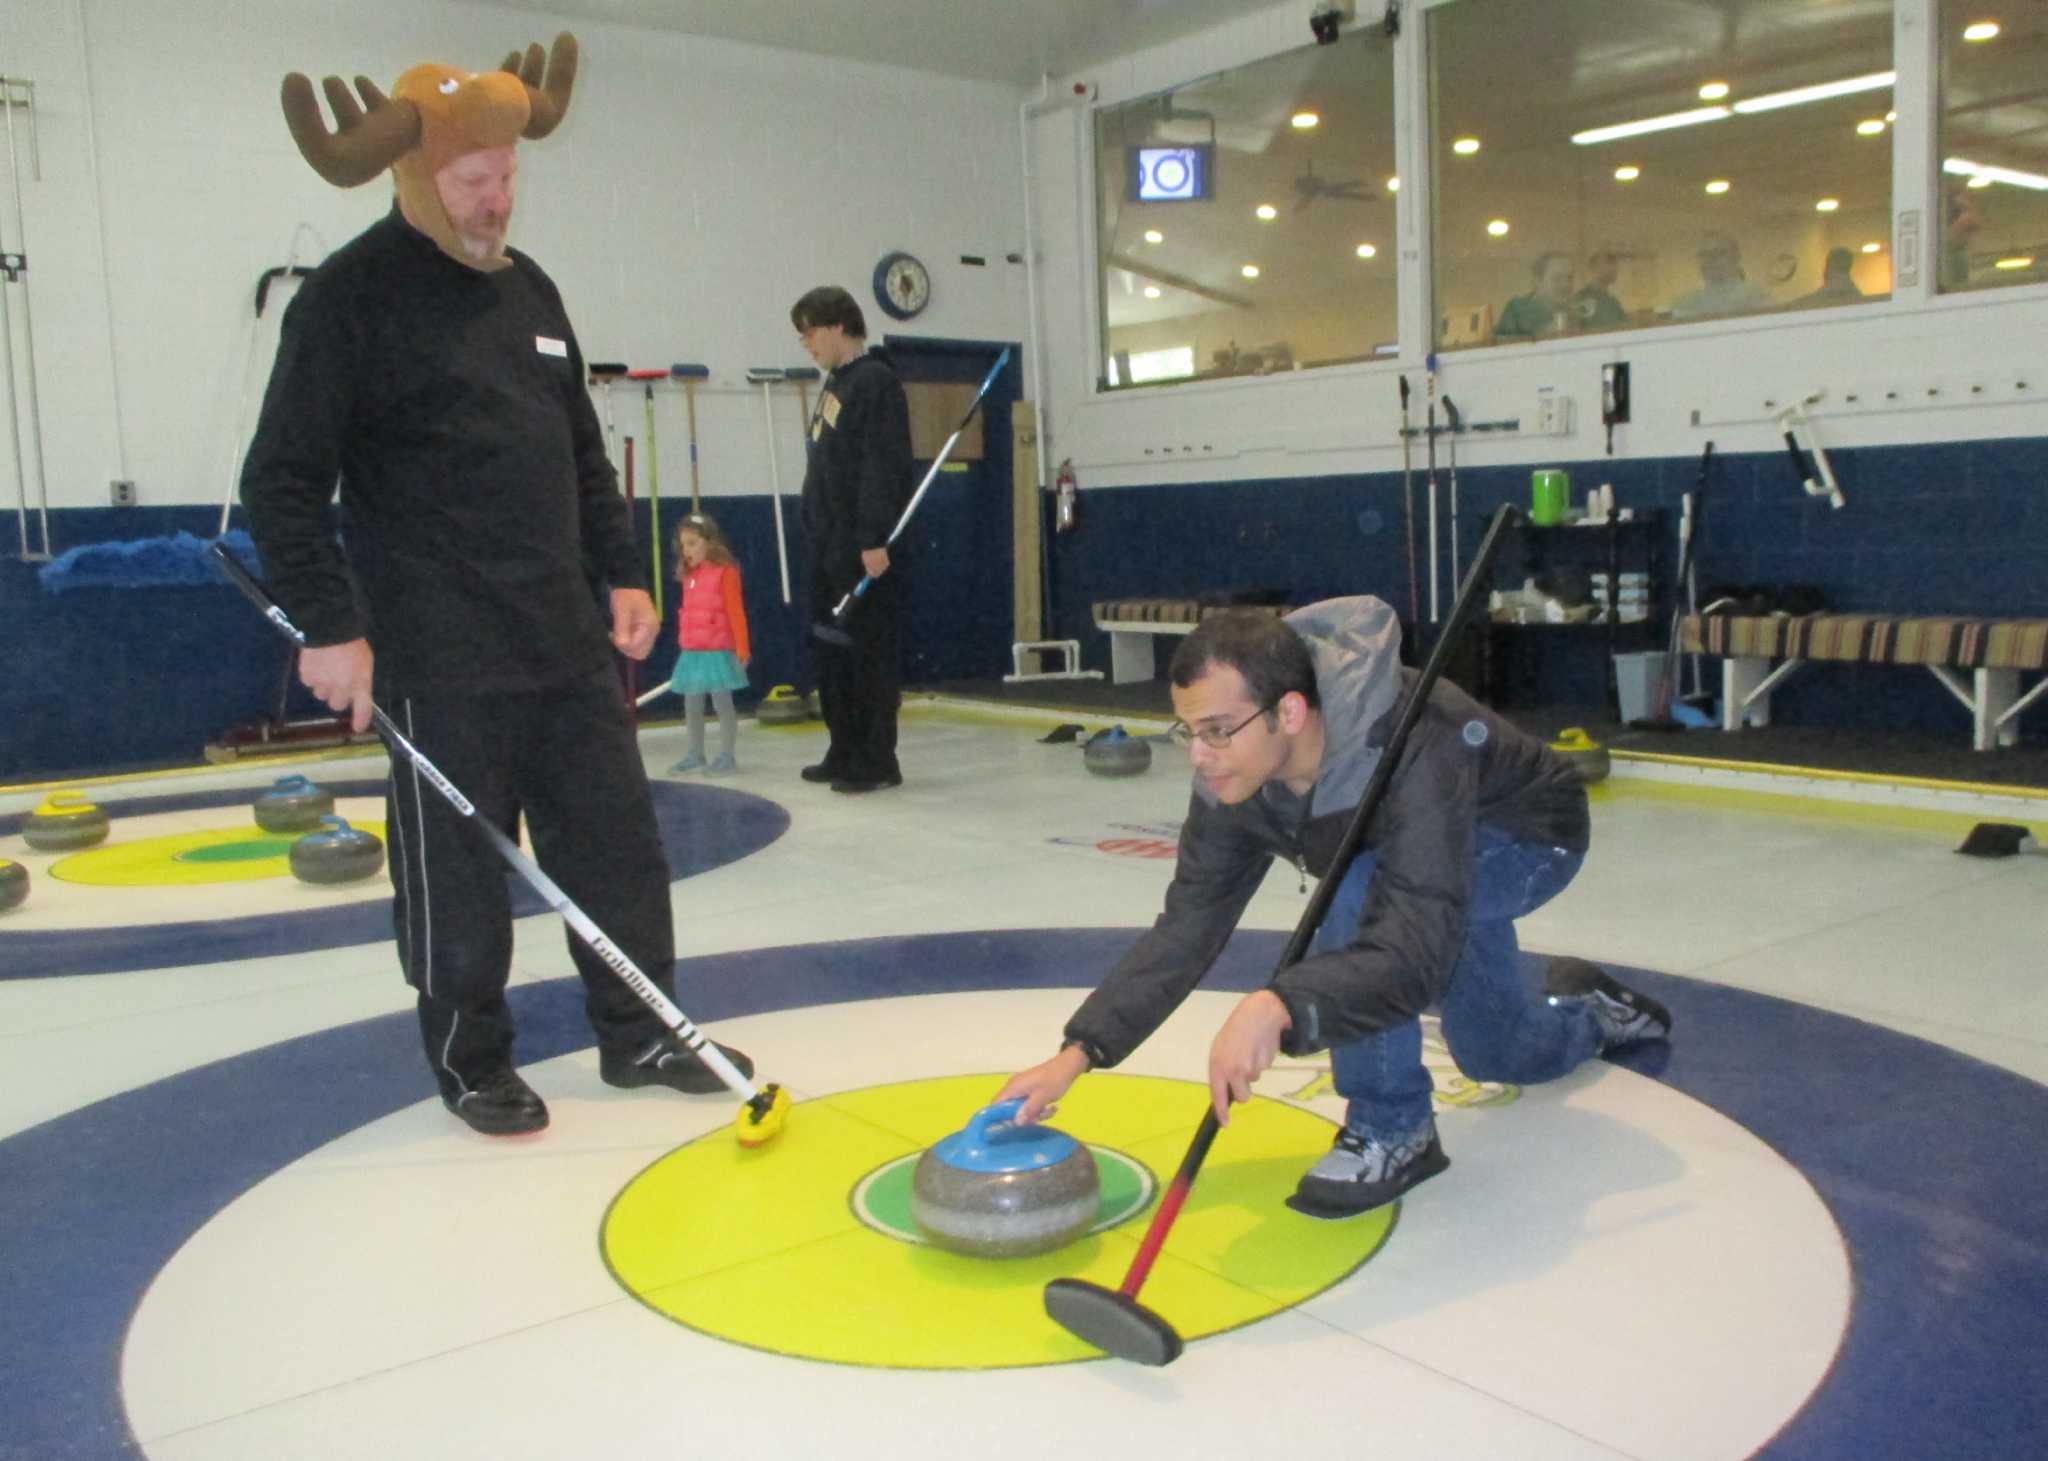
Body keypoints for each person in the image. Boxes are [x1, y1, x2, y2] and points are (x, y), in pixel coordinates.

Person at [240, 35, 751, 1136]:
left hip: (563, 635)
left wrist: (617, 571)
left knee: (617, 845)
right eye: (475, 181)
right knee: (455, 877)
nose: (497, 200)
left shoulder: (529, 288)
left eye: (508, 177)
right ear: (416, 177)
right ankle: (473, 1058)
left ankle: (645, 1029)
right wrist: (329, 627)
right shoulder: (346, 300)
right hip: (433, 648)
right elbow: (279, 479)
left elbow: (577, 446)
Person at [997, 601, 1671, 1216]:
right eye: (1188, 731)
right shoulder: (1235, 773)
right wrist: (1081, 1050)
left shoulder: (1415, 737)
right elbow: (1188, 925)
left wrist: (1283, 1002)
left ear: (1288, 711)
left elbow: (1411, 943)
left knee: (1355, 890)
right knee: (1496, 1050)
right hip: (1411, 865)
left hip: (1527, 838)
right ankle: (1592, 1014)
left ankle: (1393, 1127)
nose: (1200, 755)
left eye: (1217, 730)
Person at [791, 285, 914, 793]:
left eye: (810, 333)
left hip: (861, 548)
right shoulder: (836, 384)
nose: (807, 345)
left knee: (867, 653)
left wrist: (872, 538)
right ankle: (843, 747)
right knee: (830, 651)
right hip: (827, 545)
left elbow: (880, 467)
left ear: (839, 326)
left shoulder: (876, 382)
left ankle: (876, 758)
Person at [666, 511, 751, 775]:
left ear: (710, 542)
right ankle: (696, 753)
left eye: (692, 543)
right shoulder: (689, 575)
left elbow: (736, 611)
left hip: (717, 650)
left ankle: (727, 756)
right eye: (683, 545)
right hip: (693, 650)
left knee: (721, 702)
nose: (686, 550)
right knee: (691, 703)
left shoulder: (725, 573)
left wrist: (742, 646)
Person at [1670, 231, 1772, 319]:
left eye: (1719, 253)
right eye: (1704, 254)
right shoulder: (1685, 303)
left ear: (1736, 256)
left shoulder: (1756, 297)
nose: (1711, 259)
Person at [1491, 251, 1575, 342]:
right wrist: (1543, 334)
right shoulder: (1517, 309)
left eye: (1569, 278)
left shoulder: (1576, 310)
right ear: (1538, 281)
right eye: (1557, 279)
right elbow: (1501, 347)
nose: (1566, 285)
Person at [1572, 248, 1629, 331]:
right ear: (1594, 268)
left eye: (1614, 263)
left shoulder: (1613, 301)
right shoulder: (1581, 298)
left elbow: (1624, 324)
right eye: (1609, 262)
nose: (1614, 268)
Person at [1800, 246, 1864, 305]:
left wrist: (1792, 306)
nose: (1824, 270)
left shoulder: (1839, 285)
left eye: (1827, 263)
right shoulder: (1851, 288)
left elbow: (1813, 300)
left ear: (1832, 263)